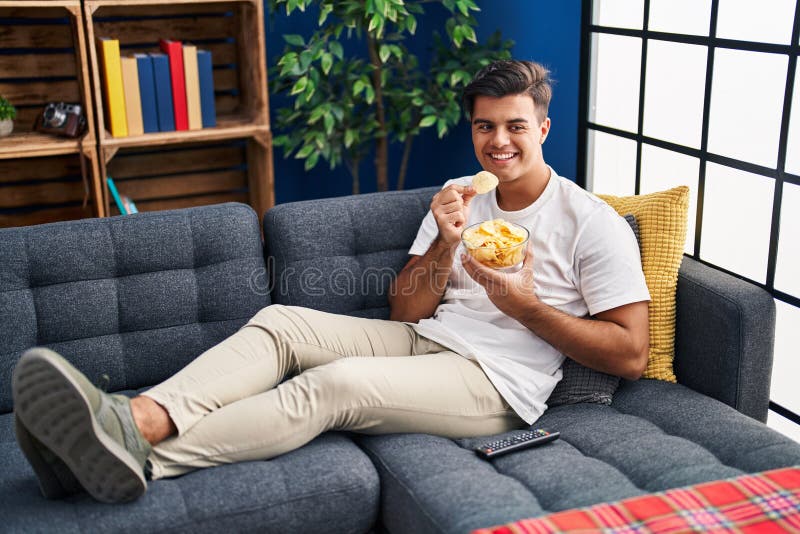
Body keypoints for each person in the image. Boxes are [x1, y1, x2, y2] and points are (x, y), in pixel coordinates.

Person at [12, 59, 650, 504]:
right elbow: (406, 312)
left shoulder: (589, 222)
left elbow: (631, 354)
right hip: (430, 338)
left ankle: (140, 456)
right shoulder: (461, 196)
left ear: (543, 128)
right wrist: (445, 244)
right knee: (281, 322)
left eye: (515, 126)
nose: (499, 141)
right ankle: (138, 417)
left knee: (335, 385)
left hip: (499, 382)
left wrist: (524, 306)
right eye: (485, 126)